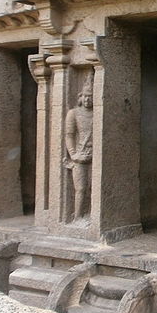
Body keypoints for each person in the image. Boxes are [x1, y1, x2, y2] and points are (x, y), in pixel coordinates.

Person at [65, 74, 94, 221]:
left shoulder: (98, 113)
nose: (88, 100)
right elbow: (69, 135)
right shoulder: (74, 113)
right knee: (80, 188)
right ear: (80, 97)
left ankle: (91, 215)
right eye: (86, 96)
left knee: (93, 187)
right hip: (80, 155)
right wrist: (73, 154)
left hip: (95, 153)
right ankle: (77, 216)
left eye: (91, 96)